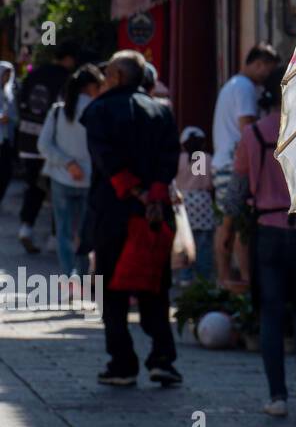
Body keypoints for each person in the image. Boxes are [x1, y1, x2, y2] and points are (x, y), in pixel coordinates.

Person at [223, 65, 296, 417]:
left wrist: (228, 234)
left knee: (270, 313)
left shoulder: (253, 134)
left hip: (268, 232)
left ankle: (277, 397)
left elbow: (235, 196)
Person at [82, 50, 182, 388]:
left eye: (108, 74)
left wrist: (136, 192)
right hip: (154, 212)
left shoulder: (97, 111)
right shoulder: (162, 112)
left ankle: (122, 363)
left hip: (113, 211)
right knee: (155, 284)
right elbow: (170, 159)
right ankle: (163, 359)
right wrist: (153, 195)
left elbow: (106, 160)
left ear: (119, 77)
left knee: (112, 290)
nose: (104, 80)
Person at [212, 44, 280, 273]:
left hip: (224, 163)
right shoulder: (245, 88)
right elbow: (248, 129)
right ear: (259, 64)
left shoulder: (233, 85)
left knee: (228, 225)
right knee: (238, 227)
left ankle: (225, 280)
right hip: (234, 166)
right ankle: (240, 280)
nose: (267, 76)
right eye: (267, 69)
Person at [36, 64, 103, 279]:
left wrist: (67, 163)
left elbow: (43, 145)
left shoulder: (58, 111)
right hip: (91, 180)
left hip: (61, 178)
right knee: (85, 234)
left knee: (63, 233)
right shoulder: (99, 110)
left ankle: (68, 276)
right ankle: (82, 276)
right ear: (92, 86)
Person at [16, 41, 78, 252]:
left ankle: (26, 227)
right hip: (53, 143)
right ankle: (54, 236)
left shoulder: (34, 74)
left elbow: (20, 101)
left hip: (27, 141)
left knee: (33, 187)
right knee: (56, 190)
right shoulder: (66, 79)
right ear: (68, 59)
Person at [175, 127, 217, 283]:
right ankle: (204, 278)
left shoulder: (178, 159)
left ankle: (185, 276)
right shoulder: (207, 158)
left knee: (185, 242)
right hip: (204, 203)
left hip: (183, 205)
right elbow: (213, 182)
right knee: (204, 244)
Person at [0, 61, 16, 206]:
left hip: (6, 140)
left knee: (6, 173)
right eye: (5, 74)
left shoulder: (10, 93)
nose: (7, 77)